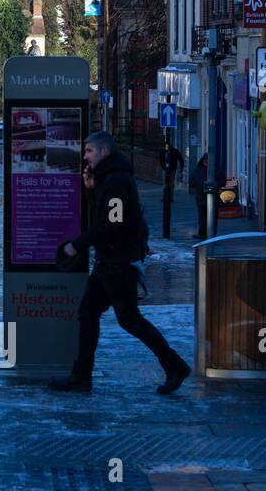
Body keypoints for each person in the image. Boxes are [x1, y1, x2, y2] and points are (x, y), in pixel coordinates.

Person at [51, 132, 191, 395]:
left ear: (104, 152)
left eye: (89, 151)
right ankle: (81, 376)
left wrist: (76, 244)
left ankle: (174, 365)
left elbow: (111, 223)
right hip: (110, 260)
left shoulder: (116, 181)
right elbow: (106, 218)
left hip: (119, 261)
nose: (85, 156)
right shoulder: (108, 179)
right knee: (89, 313)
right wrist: (91, 192)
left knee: (129, 319)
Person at [188, 153, 209, 241]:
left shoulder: (214, 170)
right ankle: (202, 233)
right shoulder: (198, 170)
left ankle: (209, 233)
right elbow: (191, 182)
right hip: (201, 196)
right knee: (202, 216)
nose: (206, 162)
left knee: (208, 216)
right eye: (205, 161)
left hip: (210, 197)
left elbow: (221, 180)